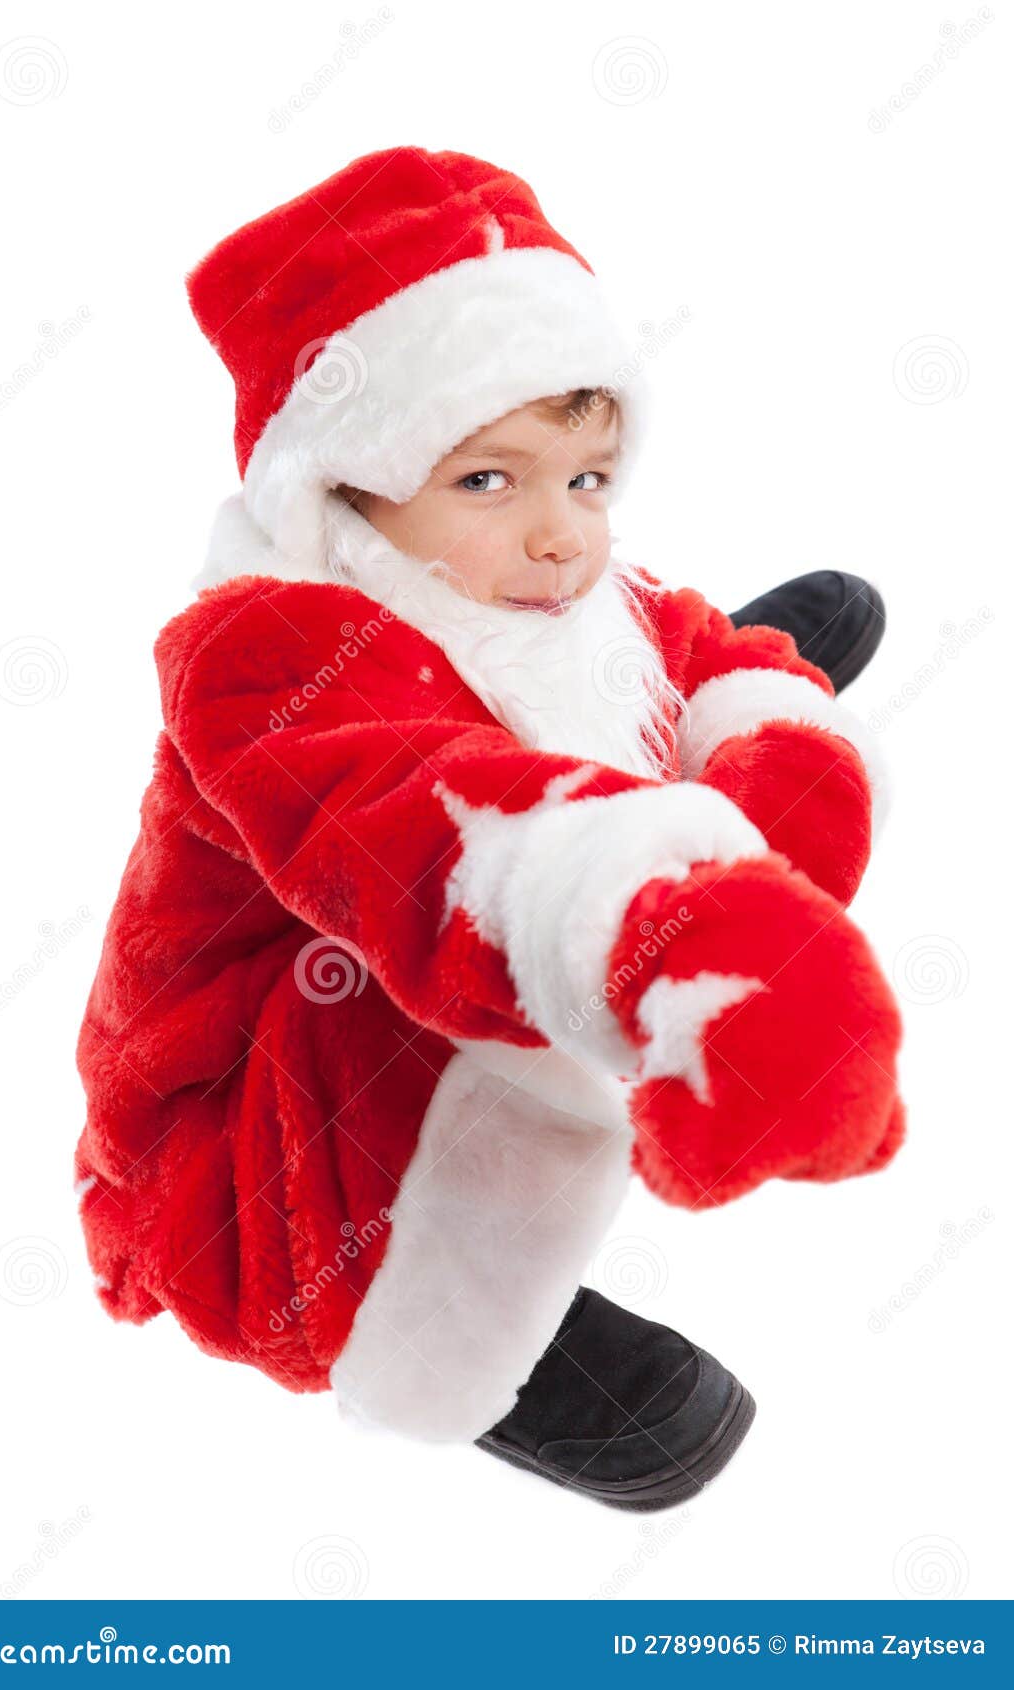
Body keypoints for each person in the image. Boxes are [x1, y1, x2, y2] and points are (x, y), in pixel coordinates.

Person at [74, 147, 903, 1511]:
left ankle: (673, 765)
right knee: (481, 935)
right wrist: (685, 939)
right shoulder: (264, 655)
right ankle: (470, 1325)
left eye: (585, 478)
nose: (560, 539)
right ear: (342, 491)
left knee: (673, 652)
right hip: (242, 1157)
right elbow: (435, 839)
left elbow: (633, 598)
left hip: (460, 846)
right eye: (488, 483)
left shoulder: (554, 569)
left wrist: (749, 699)